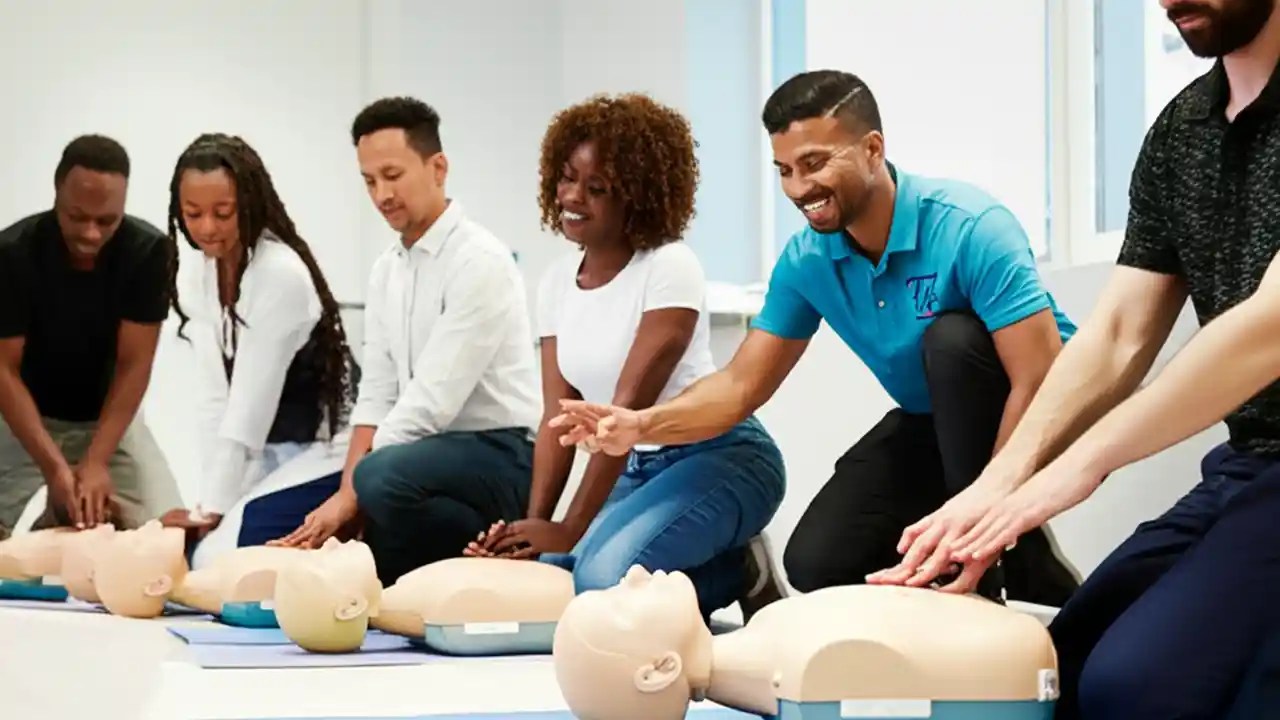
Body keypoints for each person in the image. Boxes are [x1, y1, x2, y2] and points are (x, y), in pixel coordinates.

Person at [877, 1, 1280, 717]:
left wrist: (1069, 474)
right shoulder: (1183, 131)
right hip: (1251, 465)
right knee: (1062, 661)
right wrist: (1000, 485)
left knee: (1141, 688)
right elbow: (1120, 332)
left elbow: (1266, 330)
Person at [551, 70, 1081, 607]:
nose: (799, 188)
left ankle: (990, 583)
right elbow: (739, 386)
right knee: (818, 562)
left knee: (951, 341)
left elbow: (1038, 376)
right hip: (934, 422)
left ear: (873, 149)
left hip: (1045, 410)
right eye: (784, 170)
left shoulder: (970, 226)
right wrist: (640, 424)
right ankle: (1018, 565)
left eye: (815, 163)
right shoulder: (808, 259)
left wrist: (992, 506)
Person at [463, 94, 787, 621]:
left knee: (600, 583)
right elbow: (557, 420)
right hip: (637, 465)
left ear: (635, 196)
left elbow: (623, 413)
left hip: (720, 456)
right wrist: (529, 534)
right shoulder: (554, 285)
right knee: (555, 573)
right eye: (567, 179)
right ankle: (704, 563)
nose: (572, 197)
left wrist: (568, 529)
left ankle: (742, 569)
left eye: (597, 189)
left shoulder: (669, 267)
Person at [272, 97, 541, 586]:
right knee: (364, 542)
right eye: (369, 181)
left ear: (438, 168)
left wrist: (353, 492)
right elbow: (376, 393)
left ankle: (491, 549)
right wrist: (349, 491)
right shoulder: (387, 270)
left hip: (499, 455)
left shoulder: (480, 262)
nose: (381, 195)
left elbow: (430, 403)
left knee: (377, 482)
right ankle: (442, 561)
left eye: (393, 175)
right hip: (422, 462)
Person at [156, 133, 360, 565]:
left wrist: (213, 511)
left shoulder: (279, 274)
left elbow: (248, 411)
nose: (207, 228)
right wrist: (206, 503)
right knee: (193, 551)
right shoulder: (198, 273)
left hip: (325, 453)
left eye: (223, 213)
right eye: (193, 214)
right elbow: (215, 402)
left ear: (249, 203)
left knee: (213, 559)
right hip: (267, 451)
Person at [0, 135, 182, 539]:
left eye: (106, 221)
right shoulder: (11, 255)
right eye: (77, 217)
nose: (92, 234)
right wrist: (54, 468)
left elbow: (134, 365)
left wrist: (97, 461)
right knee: (9, 539)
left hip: (109, 420)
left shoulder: (148, 252)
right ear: (56, 192)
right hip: (24, 420)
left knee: (163, 533)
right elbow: (3, 371)